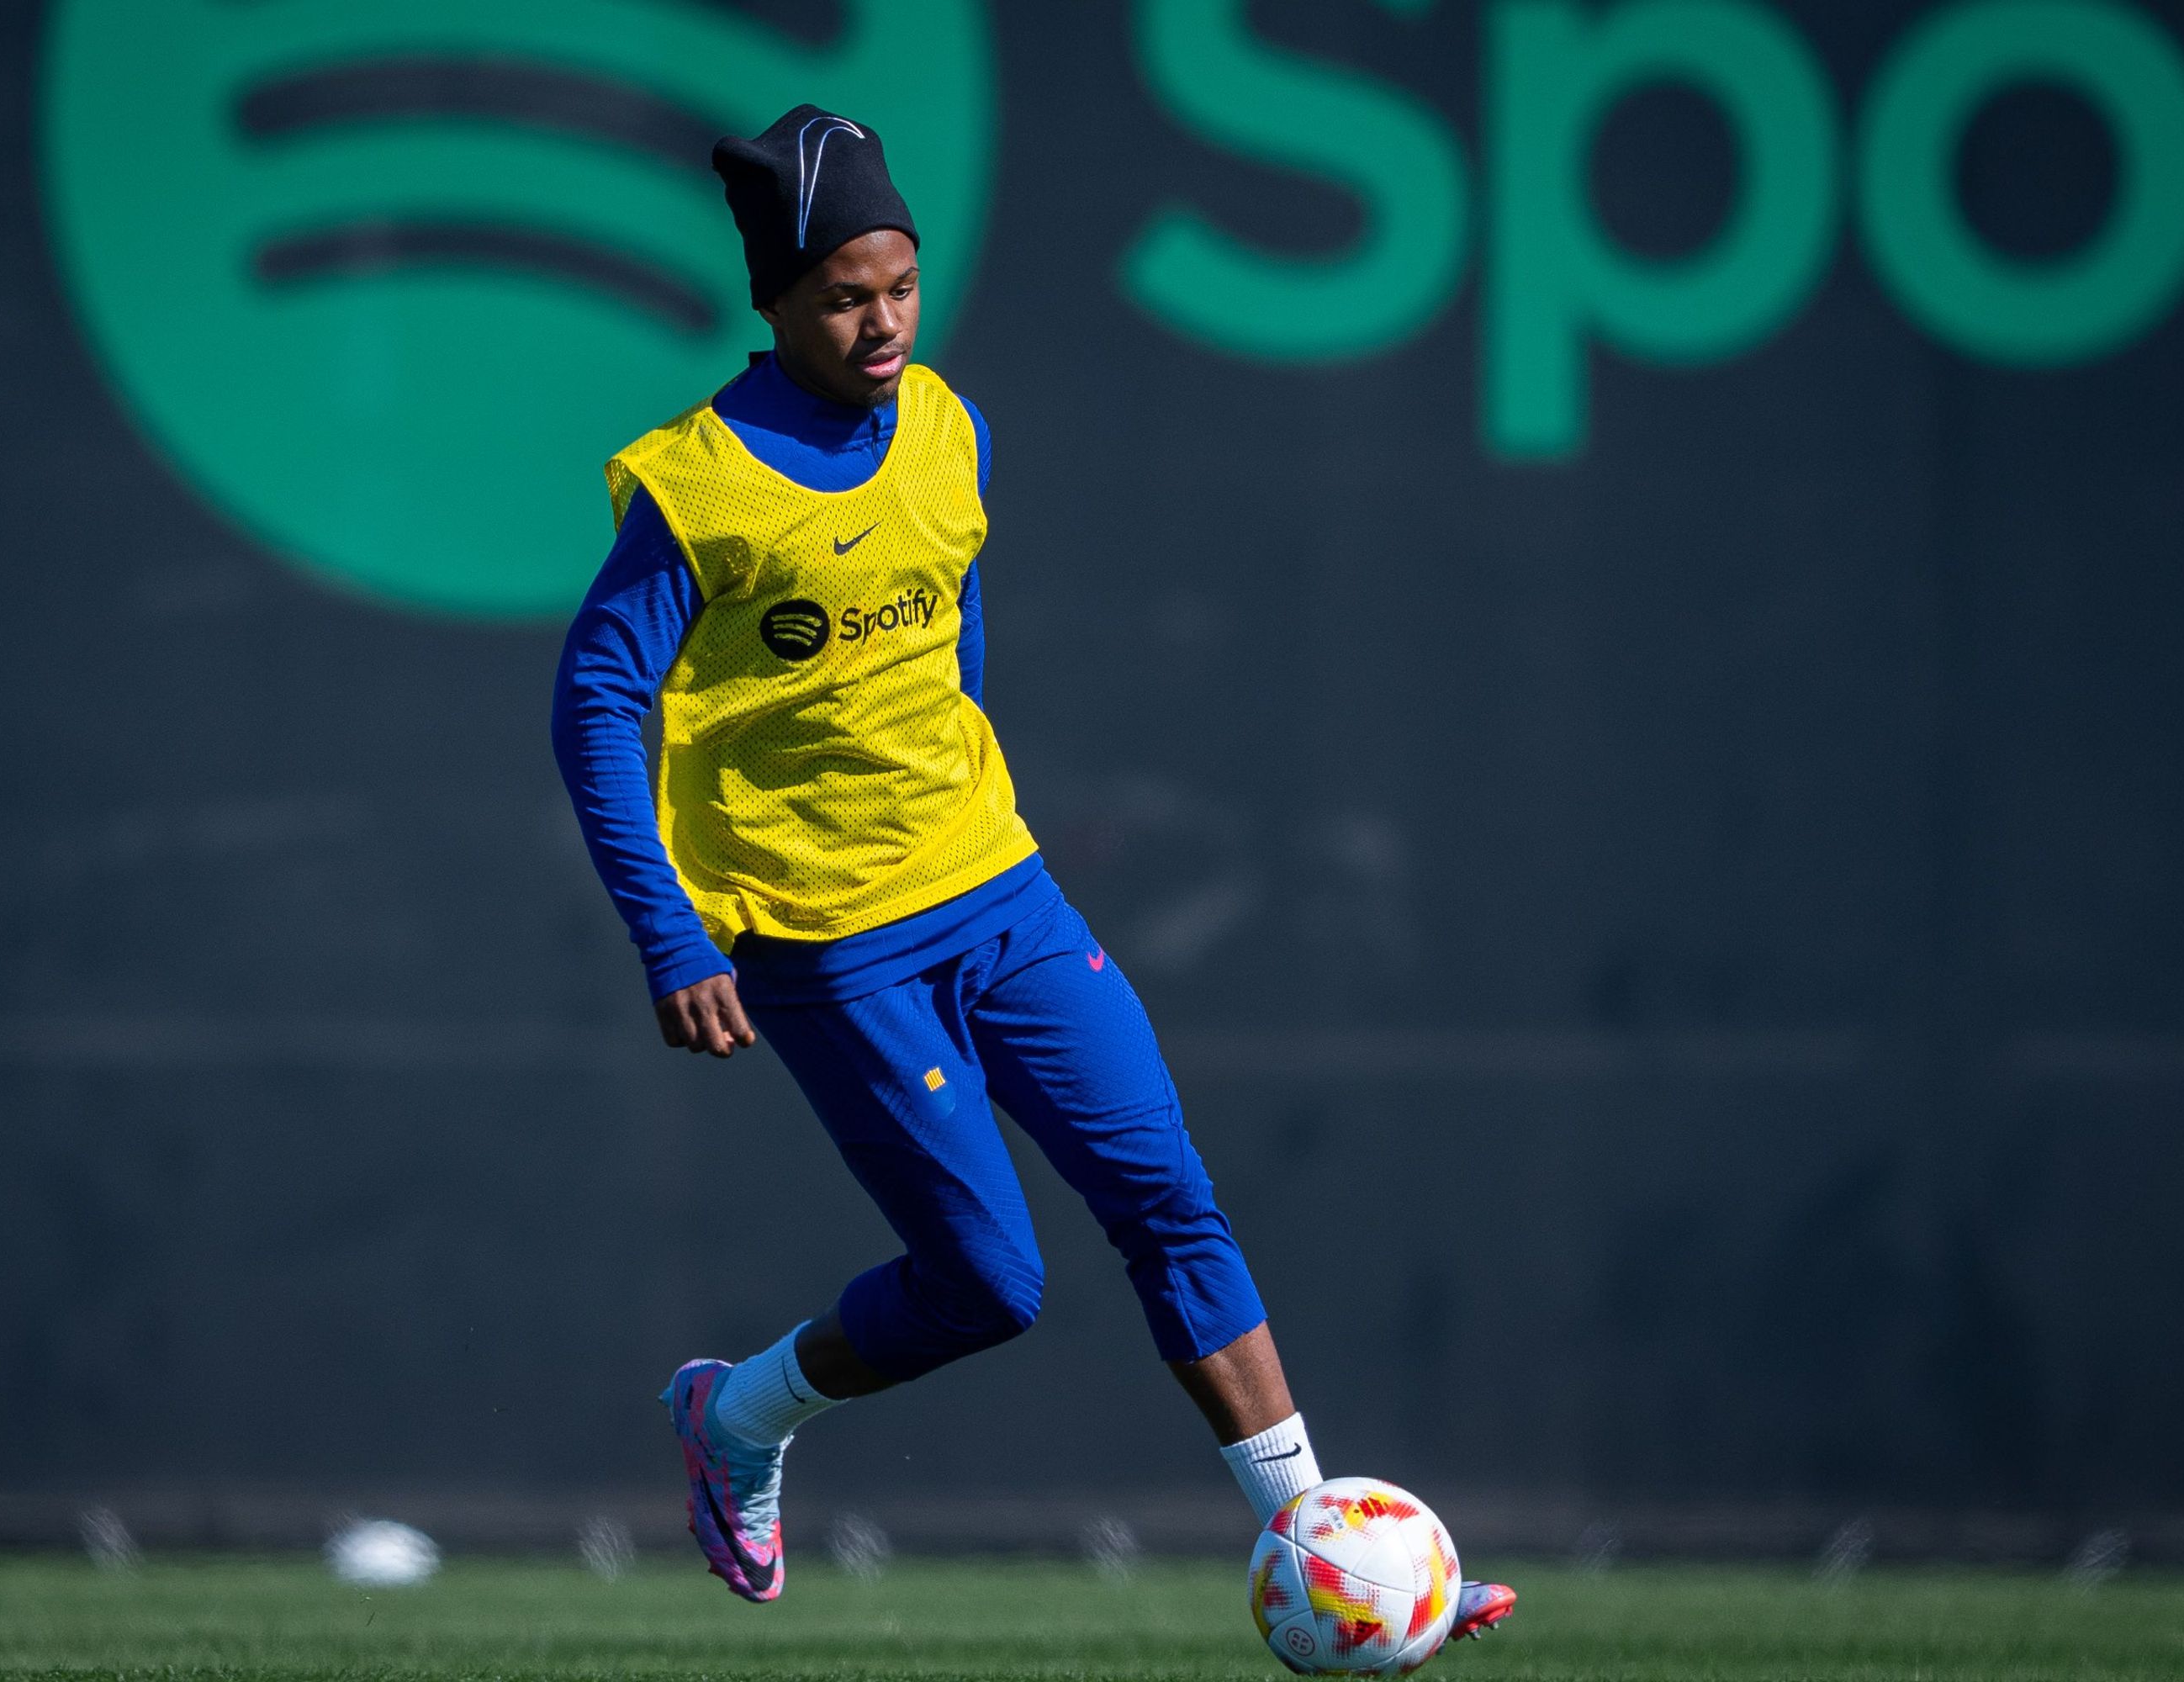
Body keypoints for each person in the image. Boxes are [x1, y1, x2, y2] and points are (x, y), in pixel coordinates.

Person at [549, 103, 1515, 1638]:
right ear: (777, 303)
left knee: (1169, 1197)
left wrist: (965, 802)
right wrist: (672, 934)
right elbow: (596, 706)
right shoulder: (700, 486)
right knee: (992, 1285)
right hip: (828, 939)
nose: (881, 322)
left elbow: (951, 638)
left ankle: (1333, 1550)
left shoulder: (947, 426)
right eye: (844, 296)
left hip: (998, 897)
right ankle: (736, 1417)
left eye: (900, 285)